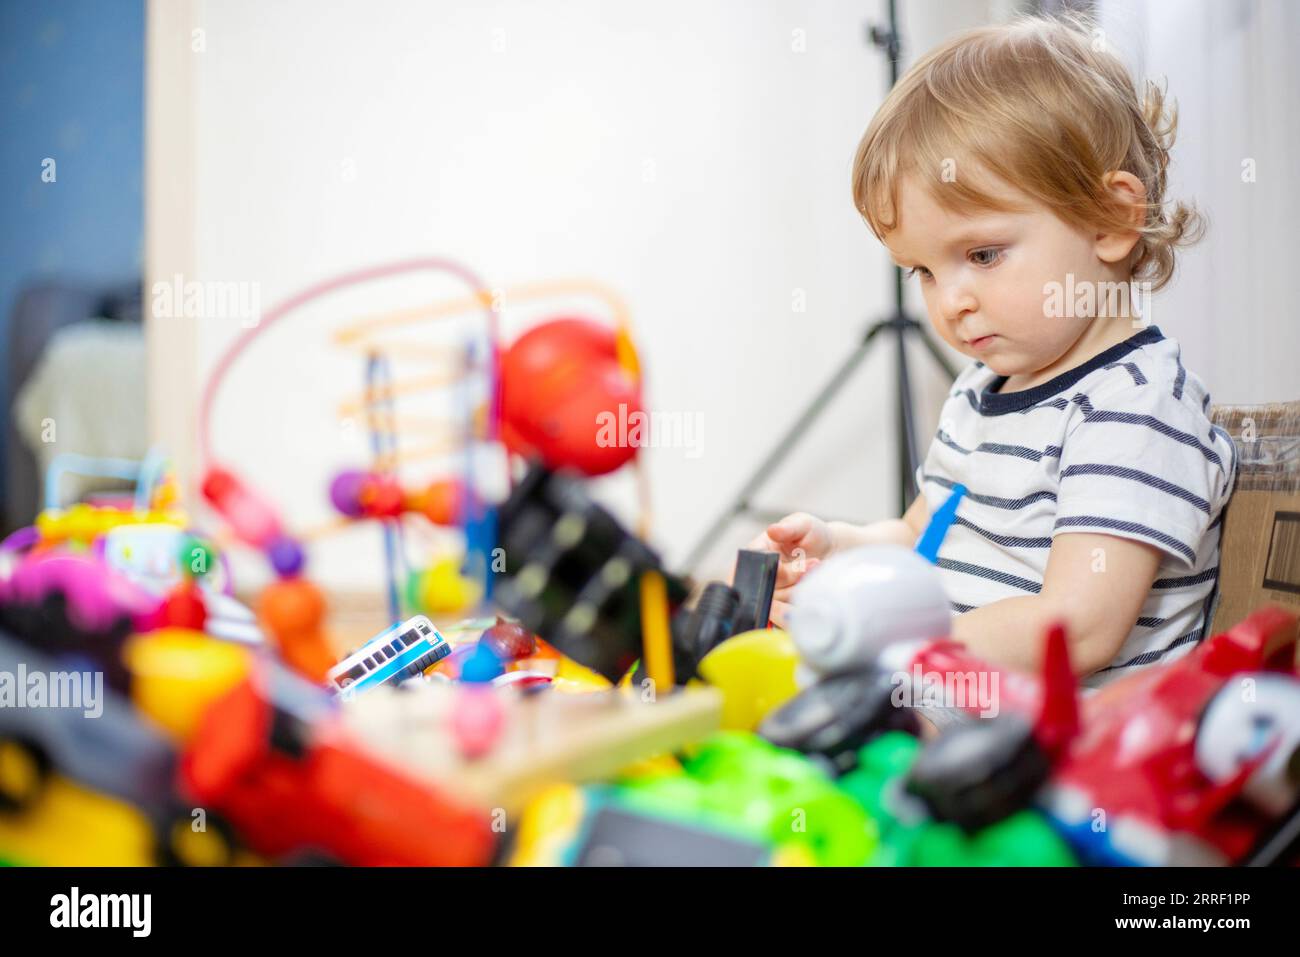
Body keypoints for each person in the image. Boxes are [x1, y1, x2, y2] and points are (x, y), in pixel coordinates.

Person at [753, 14, 1234, 692]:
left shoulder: (1135, 407)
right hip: (955, 694)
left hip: (1069, 743)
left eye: (982, 254)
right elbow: (921, 542)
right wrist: (839, 548)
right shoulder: (982, 391)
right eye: (922, 270)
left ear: (1112, 219)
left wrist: (900, 642)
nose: (950, 301)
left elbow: (1081, 625)